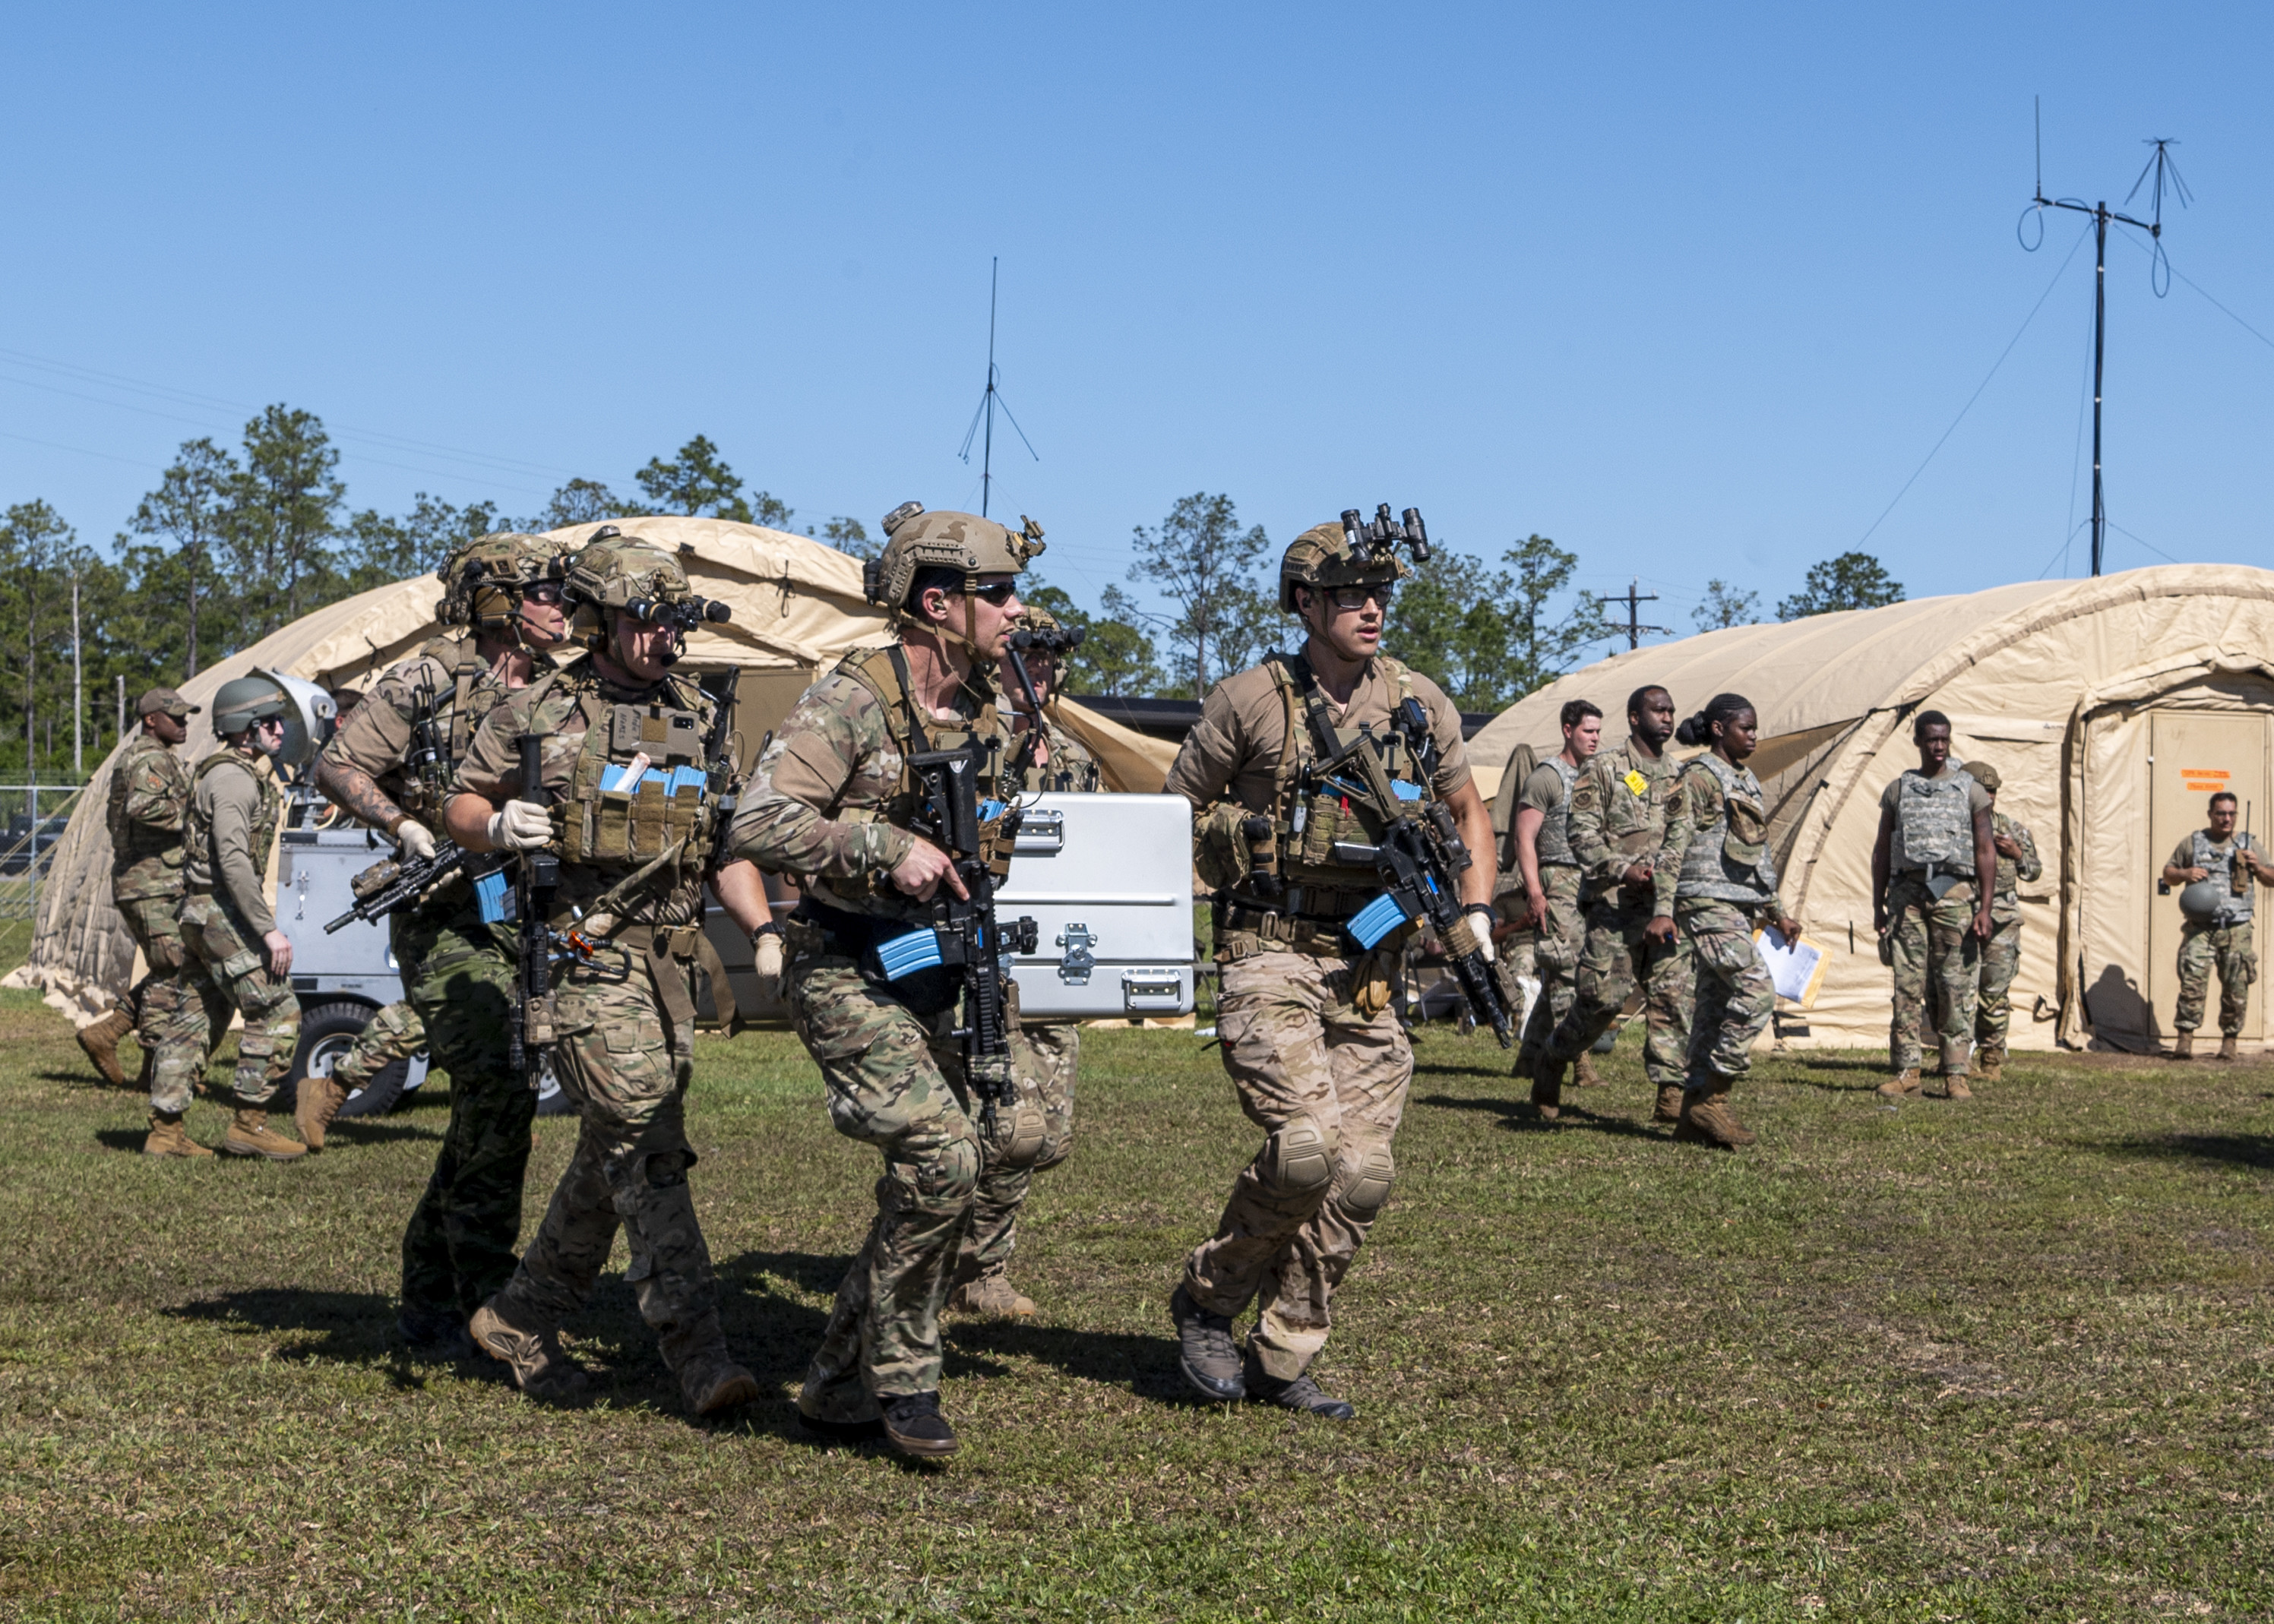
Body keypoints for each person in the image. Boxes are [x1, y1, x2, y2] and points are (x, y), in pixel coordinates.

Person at [731, 501, 1052, 1459]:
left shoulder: (992, 702)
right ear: (937, 601)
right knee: (941, 1155)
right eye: (997, 592)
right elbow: (753, 822)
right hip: (838, 958)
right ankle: (905, 1381)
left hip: (940, 959)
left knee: (979, 1152)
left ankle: (835, 1378)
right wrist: (880, 843)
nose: (1013, 608)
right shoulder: (854, 696)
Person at [1165, 516, 1495, 1420]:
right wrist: (1242, 834)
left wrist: (1471, 913)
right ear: (1304, 602)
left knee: (1361, 1173)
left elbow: (1469, 810)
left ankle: (1284, 1348)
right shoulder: (1249, 700)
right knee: (1304, 1151)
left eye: (1378, 593)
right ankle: (1207, 1297)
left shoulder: (1418, 702)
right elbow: (1171, 815)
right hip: (1269, 946)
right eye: (1349, 594)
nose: (1370, 608)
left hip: (1368, 961)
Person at [447, 529, 768, 1416]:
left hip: (670, 961)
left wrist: (764, 925)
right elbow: (459, 801)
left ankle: (520, 1313)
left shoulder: (700, 715)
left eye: (673, 622)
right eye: (645, 619)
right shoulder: (534, 710)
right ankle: (698, 1351)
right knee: (645, 1134)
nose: (666, 636)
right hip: (582, 953)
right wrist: (497, 822)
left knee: (616, 1142)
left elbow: (725, 842)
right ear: (597, 618)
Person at [309, 532, 573, 1354]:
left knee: (493, 1106)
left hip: (531, 914)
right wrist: (402, 823)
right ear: (497, 601)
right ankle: (486, 1295)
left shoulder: (566, 692)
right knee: (496, 1083)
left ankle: (432, 1290)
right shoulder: (429, 675)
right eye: (544, 592)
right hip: (448, 913)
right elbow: (338, 763)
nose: (563, 607)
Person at [947, 604, 1093, 1322]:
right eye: (1025, 651)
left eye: (1050, 655)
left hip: (1047, 958)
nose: (1039, 666)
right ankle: (964, 1267)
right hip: (969, 953)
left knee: (1046, 1133)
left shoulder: (1072, 757)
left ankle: (975, 1259)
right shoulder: (963, 738)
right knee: (983, 1125)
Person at [147, 675, 308, 1160]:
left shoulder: (230, 771)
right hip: (219, 910)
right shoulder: (234, 779)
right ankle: (249, 1126)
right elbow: (234, 861)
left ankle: (165, 1131)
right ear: (244, 729)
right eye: (270, 723)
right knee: (276, 1008)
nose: (280, 731)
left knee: (196, 1016)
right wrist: (268, 930)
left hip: (199, 909)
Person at [1527, 685, 1690, 1123]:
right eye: (1658, 710)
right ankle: (1554, 1059)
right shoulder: (1605, 769)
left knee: (1673, 996)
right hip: (1614, 908)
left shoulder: (1678, 774)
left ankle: (1671, 1095)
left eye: (1672, 711)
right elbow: (1580, 832)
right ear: (1635, 718)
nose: (1668, 718)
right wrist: (1621, 869)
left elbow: (1678, 841)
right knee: (1600, 1001)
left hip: (1662, 908)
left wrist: (1667, 901)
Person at [1651, 694, 1799, 1149]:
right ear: (1718, 729)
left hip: (1737, 905)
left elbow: (1756, 852)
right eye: (1745, 728)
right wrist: (1662, 908)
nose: (1753, 735)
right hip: (1705, 900)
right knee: (1757, 990)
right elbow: (1672, 844)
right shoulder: (1697, 776)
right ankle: (1714, 1095)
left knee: (1714, 1007)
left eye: (1755, 728)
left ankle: (1692, 1113)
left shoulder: (1747, 779)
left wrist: (1775, 910)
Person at [82, 688, 201, 1104]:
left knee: (172, 965)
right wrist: (196, 815)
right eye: (176, 717)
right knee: (171, 970)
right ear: (151, 719)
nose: (184, 724)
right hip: (150, 882)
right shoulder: (150, 757)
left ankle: (108, 1032)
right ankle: (154, 1070)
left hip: (155, 881)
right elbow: (144, 807)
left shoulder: (157, 755)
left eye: (186, 718)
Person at [1871, 711, 1996, 1099]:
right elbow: (1882, 850)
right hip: (1908, 896)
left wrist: (1986, 908)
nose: (1938, 747)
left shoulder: (1970, 790)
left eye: (1944, 740)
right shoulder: (1898, 790)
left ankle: (1956, 1072)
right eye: (1931, 740)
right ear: (1918, 741)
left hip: (1954, 895)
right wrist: (1878, 904)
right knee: (1906, 986)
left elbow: (1985, 850)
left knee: (1954, 985)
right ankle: (1908, 1071)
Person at [1511, 700, 1602, 1092]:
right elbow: (1524, 837)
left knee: (1566, 968)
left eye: (1598, 731)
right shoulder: (1547, 777)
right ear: (1568, 730)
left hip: (1589, 880)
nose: (1595, 738)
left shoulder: (1598, 776)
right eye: (1588, 731)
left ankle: (1530, 1056)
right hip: (1557, 877)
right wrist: (1535, 891)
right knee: (1565, 967)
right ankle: (1577, 1061)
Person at [2161, 788, 2271, 1061]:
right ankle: (2184, 1041)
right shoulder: (2193, 843)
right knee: (2192, 983)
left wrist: (2257, 868)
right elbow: (2168, 873)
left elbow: (2272, 877)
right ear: (2210, 814)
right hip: (2200, 928)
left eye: (2232, 814)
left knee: (2236, 987)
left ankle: (2229, 1042)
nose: (2226, 819)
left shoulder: (2248, 844)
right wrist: (2186, 873)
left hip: (2237, 928)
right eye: (2221, 813)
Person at [1964, 761, 2039, 1082]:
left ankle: (1991, 1059)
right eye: (1984, 791)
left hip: (2002, 921)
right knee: (1959, 991)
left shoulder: (2013, 829)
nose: (1990, 797)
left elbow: (2035, 872)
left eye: (1993, 791)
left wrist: (2018, 853)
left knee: (1994, 992)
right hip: (1961, 918)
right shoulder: (1953, 829)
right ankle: (1956, 1059)